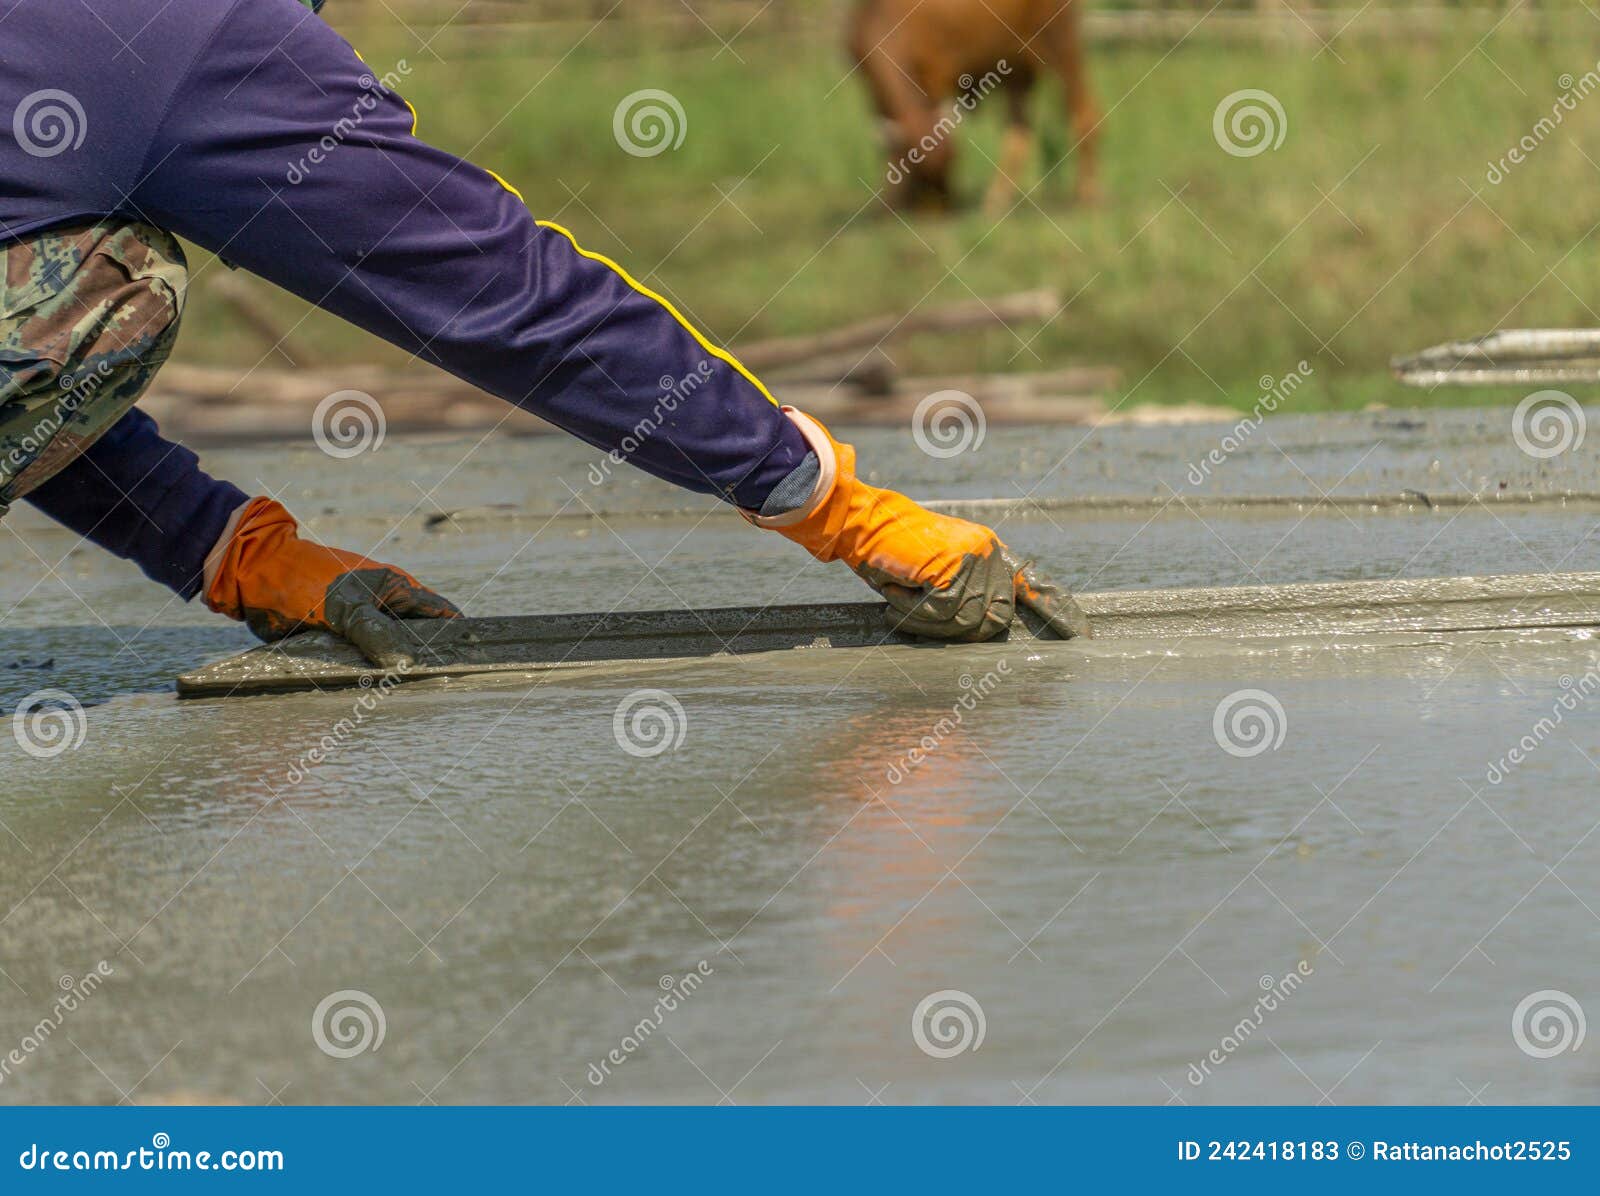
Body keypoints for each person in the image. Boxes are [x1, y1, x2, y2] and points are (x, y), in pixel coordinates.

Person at [0, 0, 1088, 670]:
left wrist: (220, 546)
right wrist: (828, 503)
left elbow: (25, 354)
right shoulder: (182, 32)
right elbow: (501, 296)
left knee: (81, 283)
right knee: (118, 286)